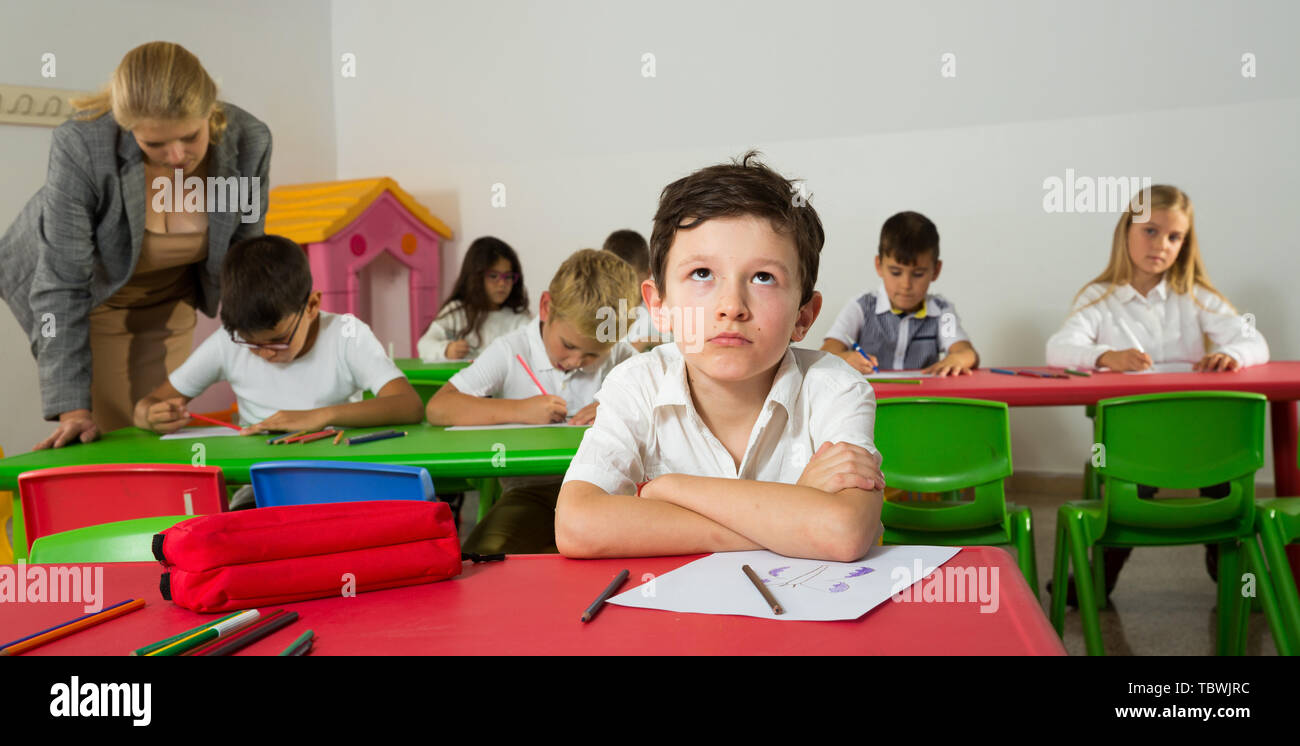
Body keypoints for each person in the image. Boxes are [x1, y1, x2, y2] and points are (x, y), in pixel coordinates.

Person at [556, 151, 885, 561]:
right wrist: (793, 510)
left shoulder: (836, 388)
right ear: (659, 306)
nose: (732, 306)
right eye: (702, 274)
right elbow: (578, 526)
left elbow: (842, 532)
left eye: (764, 277)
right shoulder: (635, 384)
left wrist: (669, 489)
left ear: (804, 316)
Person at [0, 41, 271, 447]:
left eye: (189, 136)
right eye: (155, 145)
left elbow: (245, 253)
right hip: (96, 301)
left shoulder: (248, 141)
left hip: (172, 300)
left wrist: (267, 339)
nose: (177, 155)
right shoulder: (84, 147)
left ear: (209, 111)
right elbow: (62, 281)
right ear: (128, 129)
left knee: (161, 428)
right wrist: (73, 409)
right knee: (106, 436)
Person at [1045, 184, 1269, 600]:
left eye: (1174, 237)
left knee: (1223, 480)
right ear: (1125, 231)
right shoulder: (1100, 297)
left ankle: (1230, 567)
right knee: (1131, 488)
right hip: (1136, 445)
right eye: (1150, 231)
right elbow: (1057, 349)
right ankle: (1099, 580)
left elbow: (1255, 342)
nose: (1161, 245)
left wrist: (1231, 355)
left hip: (1201, 440)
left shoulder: (1195, 295)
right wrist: (1106, 355)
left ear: (1185, 244)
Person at [426, 249, 641, 554]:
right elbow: (439, 407)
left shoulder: (619, 354)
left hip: (606, 493)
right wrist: (519, 409)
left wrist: (616, 407)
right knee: (481, 559)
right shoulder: (512, 350)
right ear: (545, 308)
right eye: (567, 345)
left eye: (593, 355)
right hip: (531, 494)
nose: (576, 361)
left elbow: (653, 409)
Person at [133, 234, 423, 438]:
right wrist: (150, 415)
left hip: (338, 477)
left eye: (277, 340)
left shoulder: (347, 335)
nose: (265, 353)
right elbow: (149, 404)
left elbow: (408, 405)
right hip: (261, 487)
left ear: (311, 306)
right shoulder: (227, 342)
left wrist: (320, 417)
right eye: (250, 344)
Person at [821, 211, 978, 376]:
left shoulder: (942, 311)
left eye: (918, 274)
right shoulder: (861, 307)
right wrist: (844, 358)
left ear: (936, 271)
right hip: (870, 399)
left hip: (921, 399)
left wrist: (959, 359)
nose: (906, 285)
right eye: (896, 272)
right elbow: (827, 352)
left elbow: (966, 353)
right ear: (879, 266)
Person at [416, 236, 530, 362]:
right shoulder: (457, 312)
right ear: (475, 277)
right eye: (493, 276)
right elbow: (424, 345)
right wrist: (447, 350)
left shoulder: (519, 319)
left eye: (508, 276)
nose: (502, 283)